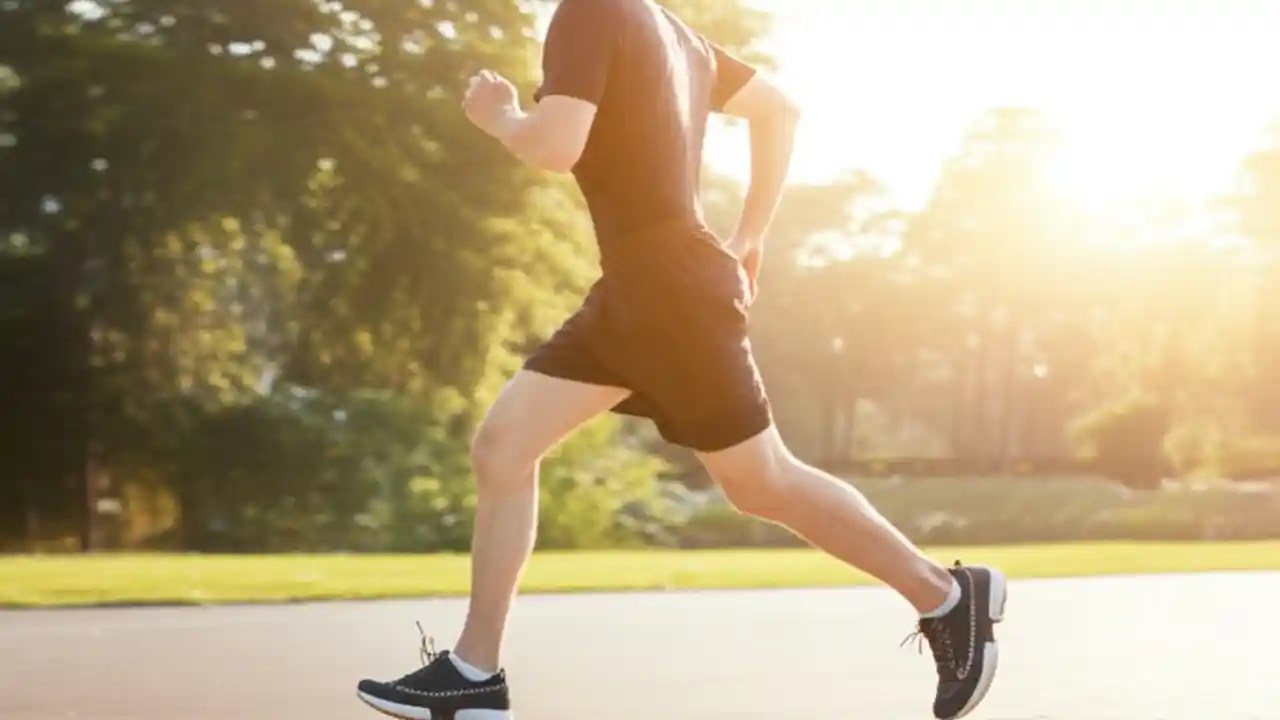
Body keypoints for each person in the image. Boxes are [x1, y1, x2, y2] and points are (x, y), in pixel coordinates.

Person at [356, 1, 1006, 718]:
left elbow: (555, 146)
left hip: (666, 290)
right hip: (643, 286)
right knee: (504, 448)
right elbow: (779, 110)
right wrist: (750, 235)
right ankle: (475, 673)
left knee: (763, 483)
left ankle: (947, 598)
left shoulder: (587, 12)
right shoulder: (673, 32)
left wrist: (500, 116)